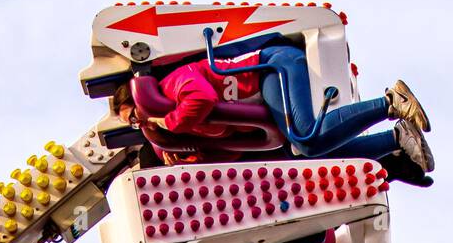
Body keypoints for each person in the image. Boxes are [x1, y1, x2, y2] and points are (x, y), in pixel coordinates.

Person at [114, 57, 435, 170]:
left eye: (133, 116)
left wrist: (162, 120)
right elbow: (226, 145)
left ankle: (391, 101)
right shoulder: (185, 132)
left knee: (306, 140)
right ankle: (396, 139)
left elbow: (203, 98)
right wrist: (182, 154)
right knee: (310, 156)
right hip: (267, 99)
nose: (138, 123)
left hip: (271, 69)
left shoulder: (173, 85)